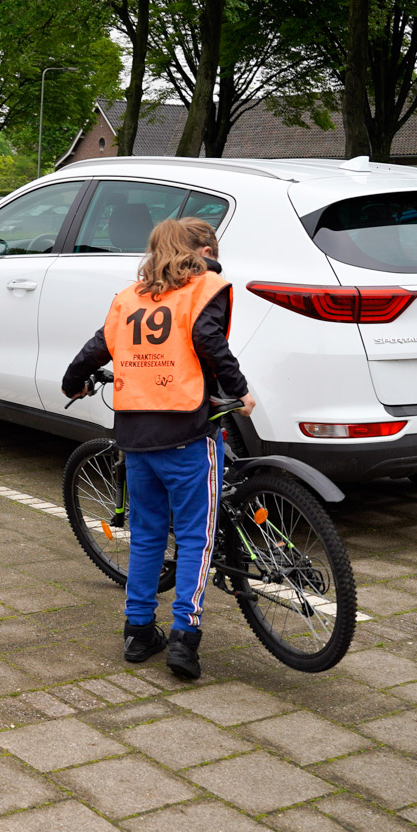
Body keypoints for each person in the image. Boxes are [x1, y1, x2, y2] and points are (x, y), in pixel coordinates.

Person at [62, 217, 256, 680]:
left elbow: (97, 347)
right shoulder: (204, 287)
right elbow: (208, 340)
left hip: (135, 434)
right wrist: (241, 390)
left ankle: (138, 631)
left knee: (147, 534)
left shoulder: (129, 297)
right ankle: (185, 638)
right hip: (186, 431)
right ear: (201, 251)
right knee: (194, 537)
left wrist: (73, 381)